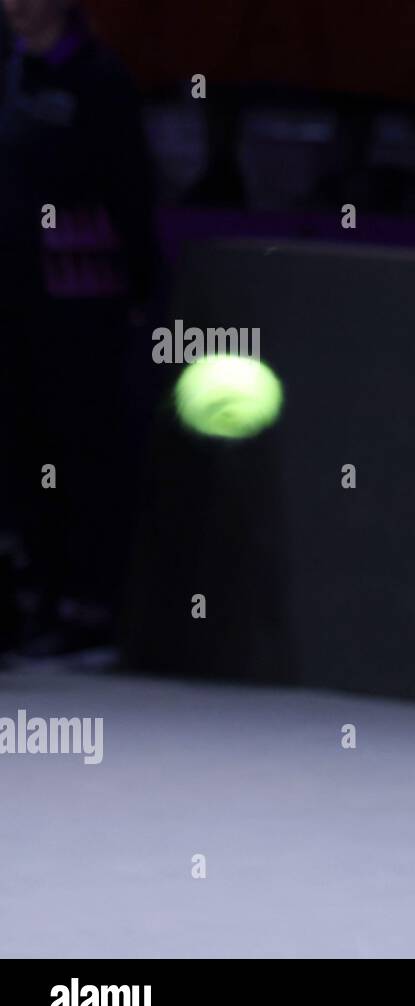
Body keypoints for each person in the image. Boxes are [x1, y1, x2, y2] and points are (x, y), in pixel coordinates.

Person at [0, 0, 160, 659]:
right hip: (10, 300)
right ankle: (28, 601)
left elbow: (131, 190)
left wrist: (145, 288)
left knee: (83, 448)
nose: (17, 5)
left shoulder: (100, 80)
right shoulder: (7, 73)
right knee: (19, 450)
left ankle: (88, 608)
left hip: (79, 299)